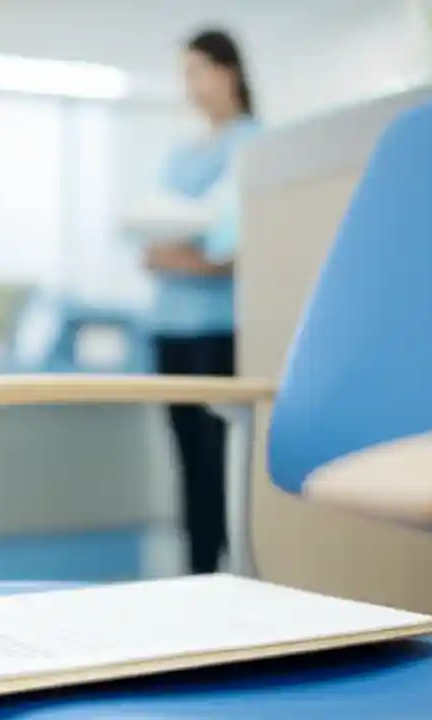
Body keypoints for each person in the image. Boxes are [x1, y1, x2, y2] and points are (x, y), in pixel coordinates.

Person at [143, 29, 258, 574]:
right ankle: (197, 577)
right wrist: (178, 254)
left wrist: (179, 257)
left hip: (218, 329)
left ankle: (228, 578)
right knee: (187, 462)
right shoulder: (179, 156)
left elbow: (233, 249)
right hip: (169, 328)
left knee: (220, 462)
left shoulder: (253, 144)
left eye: (196, 71)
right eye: (183, 74)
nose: (189, 85)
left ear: (227, 71)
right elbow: (154, 249)